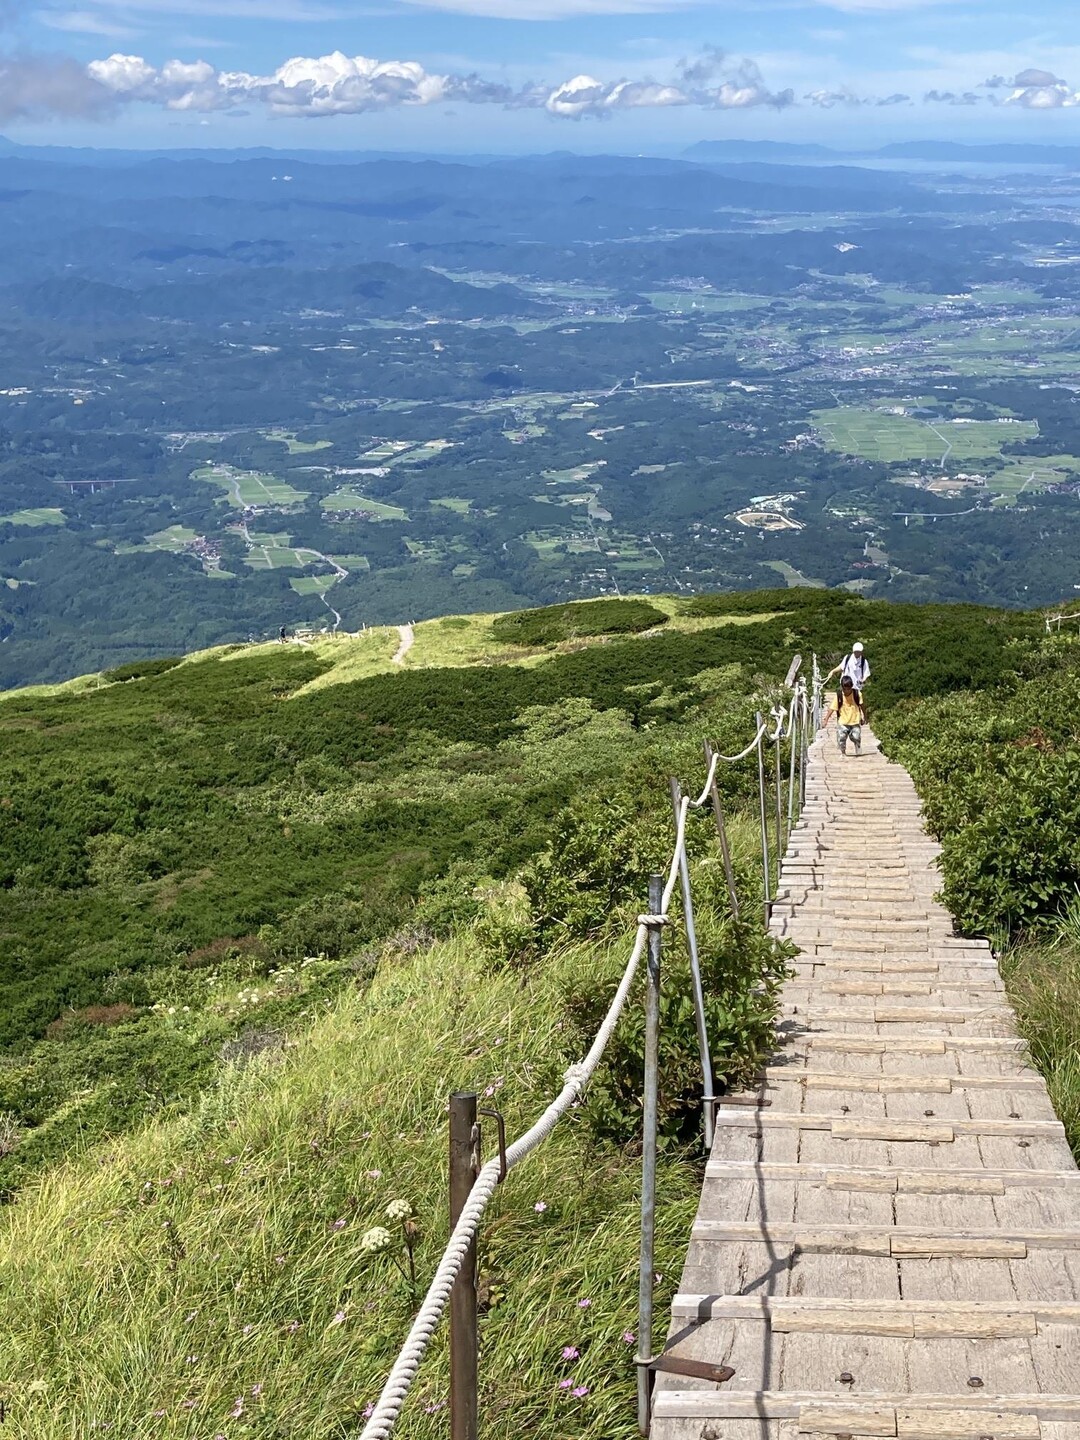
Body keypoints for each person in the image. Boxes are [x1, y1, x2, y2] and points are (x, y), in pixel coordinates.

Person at [825, 676, 867, 757]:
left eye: (849, 689)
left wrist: (865, 717)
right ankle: (843, 752)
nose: (847, 691)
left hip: (854, 720)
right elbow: (832, 708)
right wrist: (826, 719)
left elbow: (862, 706)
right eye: (845, 689)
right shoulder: (839, 696)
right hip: (843, 721)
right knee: (842, 738)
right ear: (842, 687)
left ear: (851, 687)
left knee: (856, 736)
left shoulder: (857, 694)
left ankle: (857, 745)